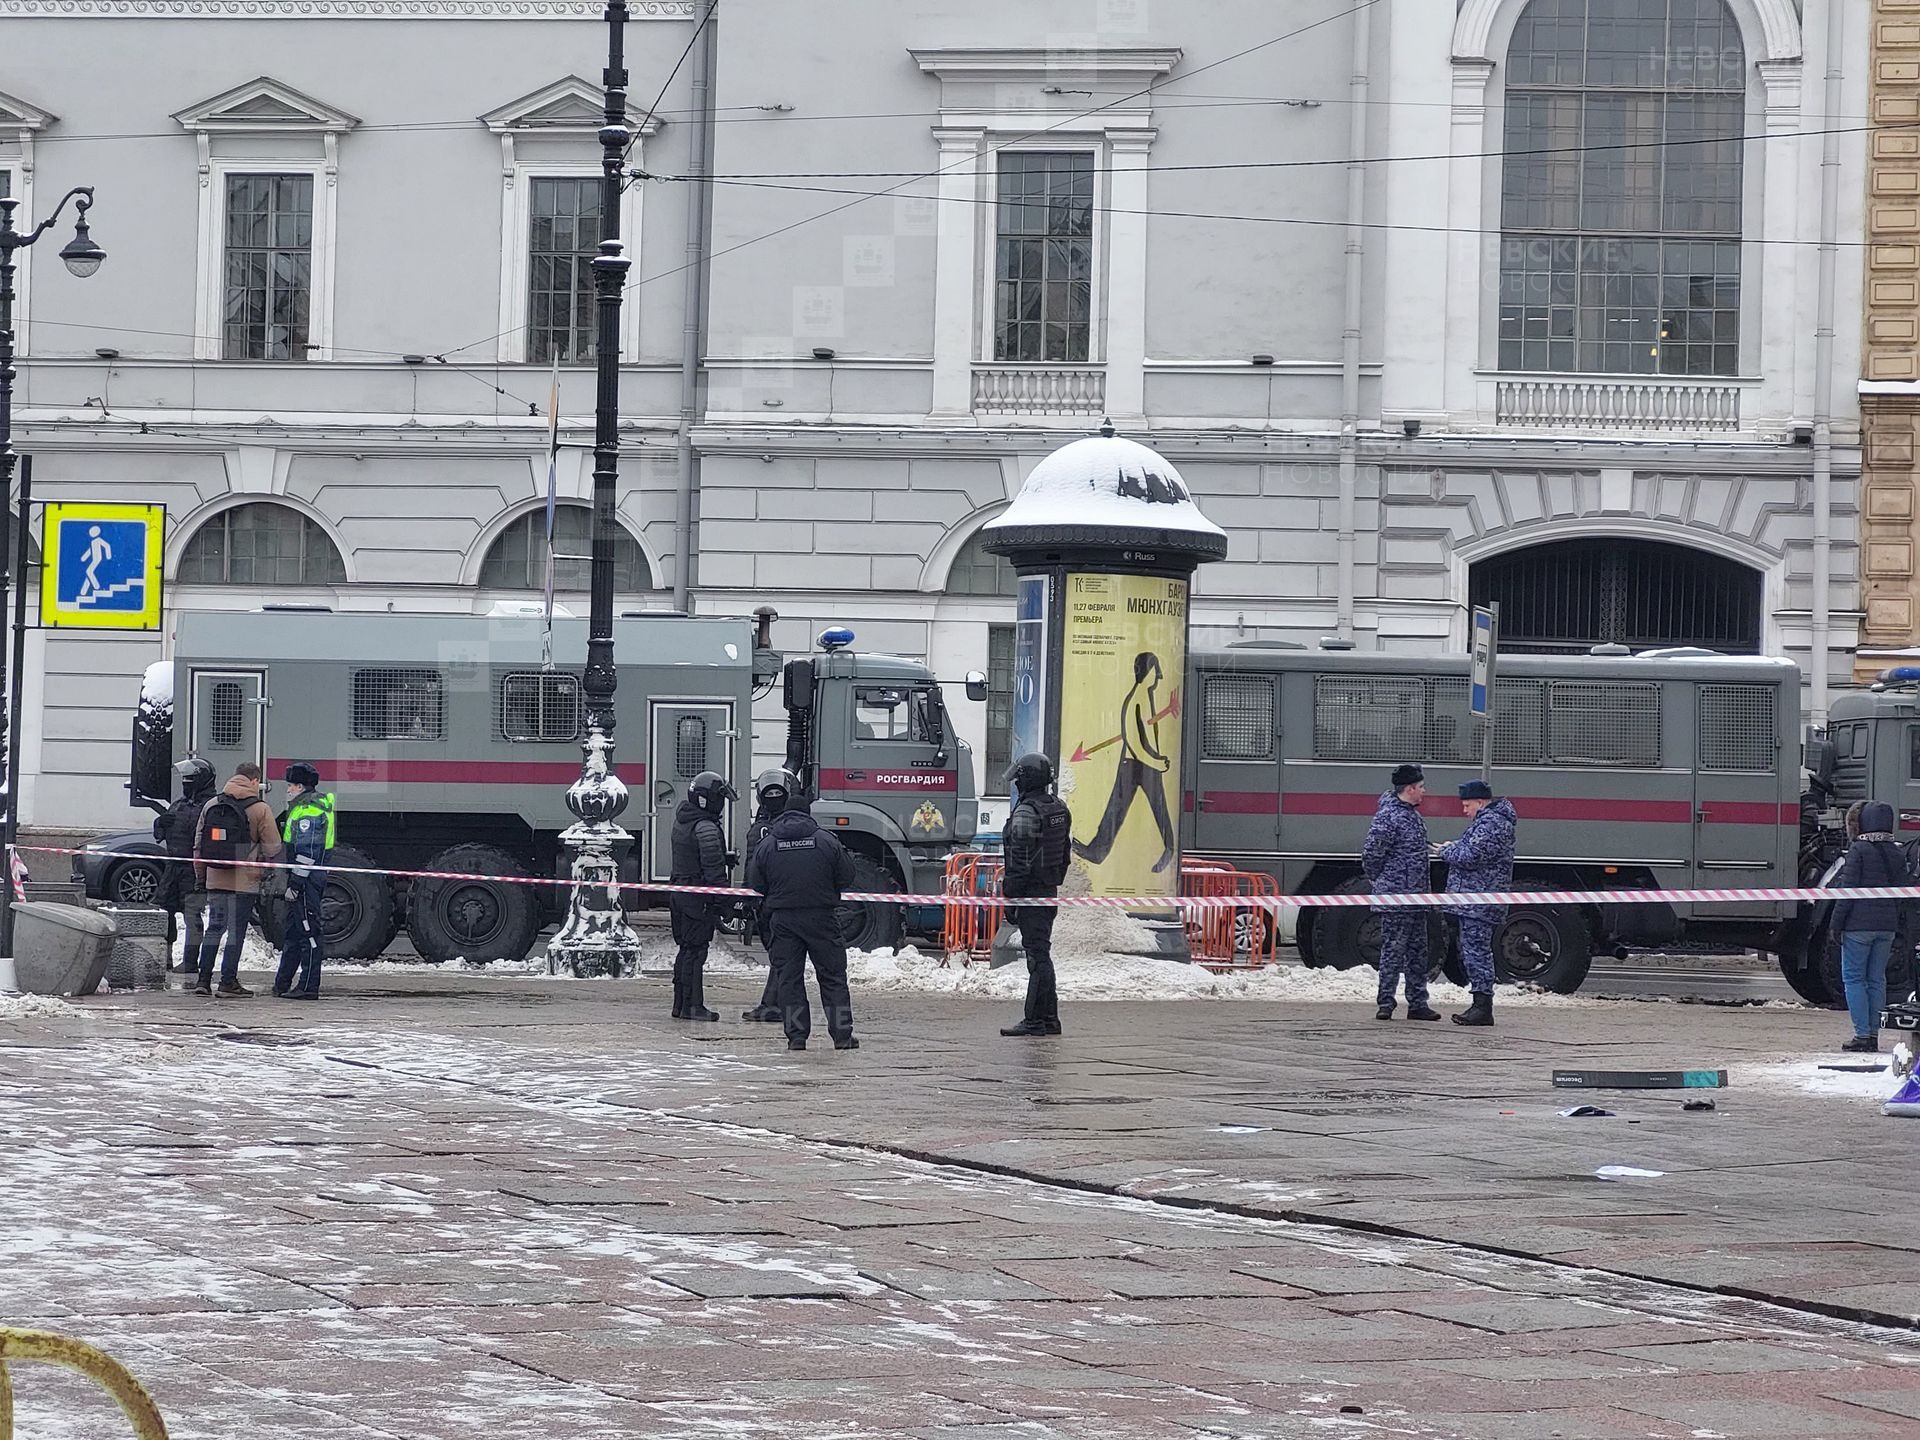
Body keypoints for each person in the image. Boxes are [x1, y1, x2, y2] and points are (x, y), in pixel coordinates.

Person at [747, 793, 859, 1052]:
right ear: (808, 813)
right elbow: (847, 876)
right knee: (833, 977)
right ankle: (842, 1036)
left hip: (784, 921)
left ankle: (797, 1037)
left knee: (789, 979)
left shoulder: (769, 843)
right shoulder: (826, 841)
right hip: (822, 919)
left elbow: (755, 883)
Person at [1072, 650, 1176, 875]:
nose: (1159, 677)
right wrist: (1156, 763)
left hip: (1141, 762)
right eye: (1155, 671)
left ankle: (1168, 848)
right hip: (1135, 762)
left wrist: (1156, 759)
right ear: (1147, 672)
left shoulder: (1144, 698)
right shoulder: (1135, 700)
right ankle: (1098, 852)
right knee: (1117, 809)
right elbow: (1134, 742)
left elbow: (1145, 734)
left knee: (1155, 809)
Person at [192, 761, 283, 998]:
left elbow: (199, 846)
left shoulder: (212, 804)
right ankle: (227, 982)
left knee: (214, 929)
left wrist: (201, 878)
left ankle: (202, 980)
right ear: (254, 781)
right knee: (235, 932)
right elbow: (273, 847)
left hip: (215, 877)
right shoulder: (260, 808)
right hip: (245, 881)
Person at [999, 752, 1074, 1038]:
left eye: (1018, 778)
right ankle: (1049, 1019)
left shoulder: (1026, 812)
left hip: (1030, 892)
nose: (1016, 783)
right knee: (1042, 952)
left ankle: (1034, 1020)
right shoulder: (1058, 807)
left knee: (1037, 956)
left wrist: (1012, 896)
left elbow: (1019, 858)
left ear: (1027, 780)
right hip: (1047, 889)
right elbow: (1064, 852)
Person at [1436, 779, 1517, 1028]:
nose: (1464, 810)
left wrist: (1444, 851)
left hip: (1479, 900)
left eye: (1467, 804)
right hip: (1475, 900)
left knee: (1476, 951)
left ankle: (1482, 1007)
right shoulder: (1489, 822)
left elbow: (1471, 856)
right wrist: (1454, 847)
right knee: (1473, 950)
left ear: (1481, 802)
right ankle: (1480, 1005)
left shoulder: (1492, 824)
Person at [1832, 800, 1910, 1053]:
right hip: (1886, 927)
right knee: (1877, 979)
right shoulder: (1896, 851)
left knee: (1854, 979)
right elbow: (1902, 891)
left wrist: (1836, 924)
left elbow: (1848, 890)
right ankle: (1874, 1034)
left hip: (1858, 925)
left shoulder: (1859, 850)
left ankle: (1862, 1034)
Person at [1363, 762, 1438, 1022]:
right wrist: (1382, 883)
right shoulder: (1389, 816)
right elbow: (1372, 855)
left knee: (1418, 952)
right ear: (1409, 788)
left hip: (1416, 898)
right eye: (1421, 787)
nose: (1424, 791)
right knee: (1393, 951)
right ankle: (1386, 1002)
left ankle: (1418, 1003)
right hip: (1396, 899)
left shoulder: (1412, 816)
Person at [669, 771, 736, 1022]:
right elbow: (714, 873)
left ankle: (680, 1004)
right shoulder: (705, 826)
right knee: (696, 952)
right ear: (708, 799)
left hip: (680, 893)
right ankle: (693, 1006)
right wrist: (724, 902)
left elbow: (694, 856)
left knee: (685, 949)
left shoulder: (683, 819)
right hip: (697, 898)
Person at [272, 762, 334, 1000]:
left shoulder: (309, 810)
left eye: (290, 785)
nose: (287, 790)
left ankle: (308, 986)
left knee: (308, 932)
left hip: (306, 880)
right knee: (295, 931)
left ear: (299, 786)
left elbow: (307, 852)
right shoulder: (303, 807)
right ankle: (283, 983)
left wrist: (295, 885)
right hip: (303, 878)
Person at [740, 769, 798, 1023]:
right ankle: (776, 1004)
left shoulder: (761, 830)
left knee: (779, 957)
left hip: (768, 902)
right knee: (782, 956)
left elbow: (752, 867)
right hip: (788, 899)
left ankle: (773, 1005)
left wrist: (747, 898)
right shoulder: (795, 829)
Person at [153, 756, 215, 971]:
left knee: (192, 914)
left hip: (194, 868)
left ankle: (190, 961)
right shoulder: (179, 803)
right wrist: (160, 823)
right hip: (173, 866)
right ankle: (165, 957)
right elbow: (160, 834)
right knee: (164, 910)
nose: (185, 784)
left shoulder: (211, 805)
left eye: (190, 780)